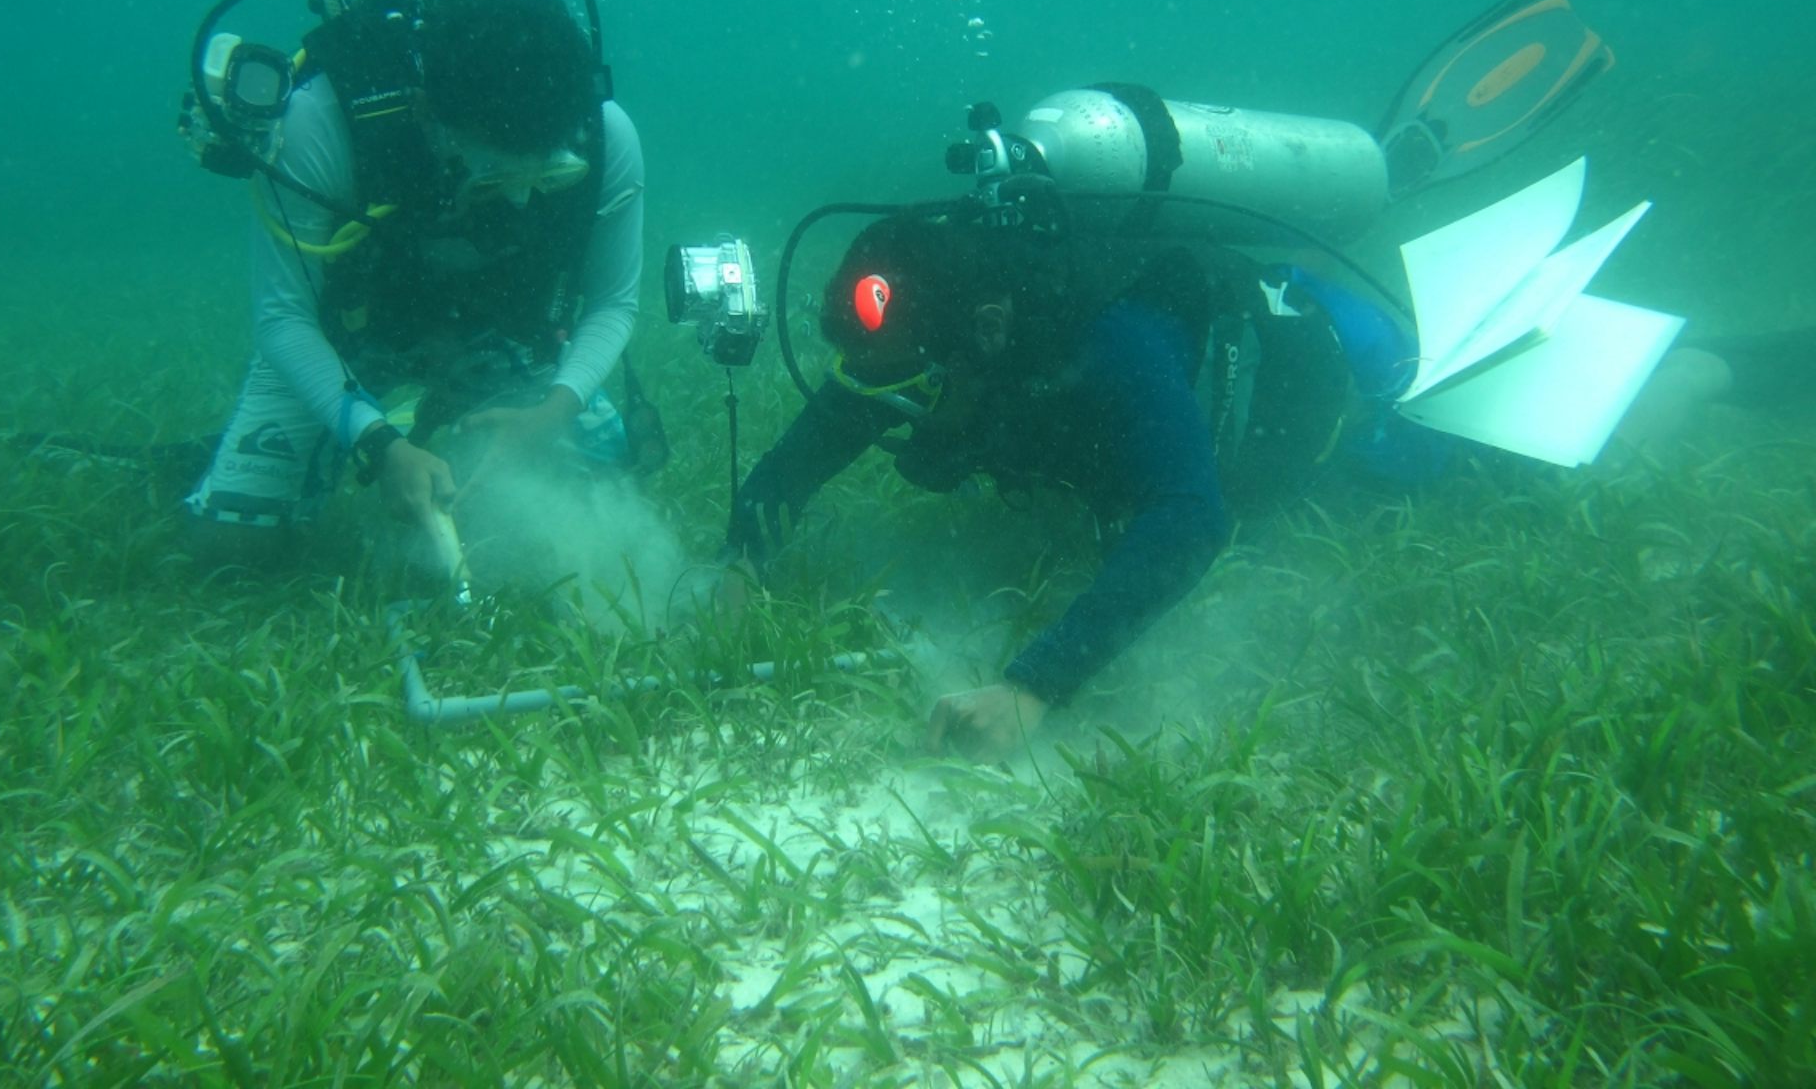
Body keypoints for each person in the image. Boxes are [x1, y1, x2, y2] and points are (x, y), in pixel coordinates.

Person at [726, 207, 1803, 762]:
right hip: (1223, 366)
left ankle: (1717, 369)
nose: (888, 416)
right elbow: (822, 435)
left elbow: (1193, 518)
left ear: (983, 340)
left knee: (1501, 443)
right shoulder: (924, 347)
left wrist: (1032, 685)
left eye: (910, 390)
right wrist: (741, 554)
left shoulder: (1108, 343)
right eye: (876, 390)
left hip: (1344, 376)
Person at [185, 0, 644, 571]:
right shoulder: (319, 120)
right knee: (233, 555)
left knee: (595, 512)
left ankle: (457, 418)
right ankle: (215, 460)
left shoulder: (606, 133)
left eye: (546, 176)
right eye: (495, 172)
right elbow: (284, 317)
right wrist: (379, 445)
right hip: (349, 339)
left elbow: (613, 301)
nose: (519, 199)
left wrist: (549, 413)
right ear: (432, 114)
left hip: (498, 334)